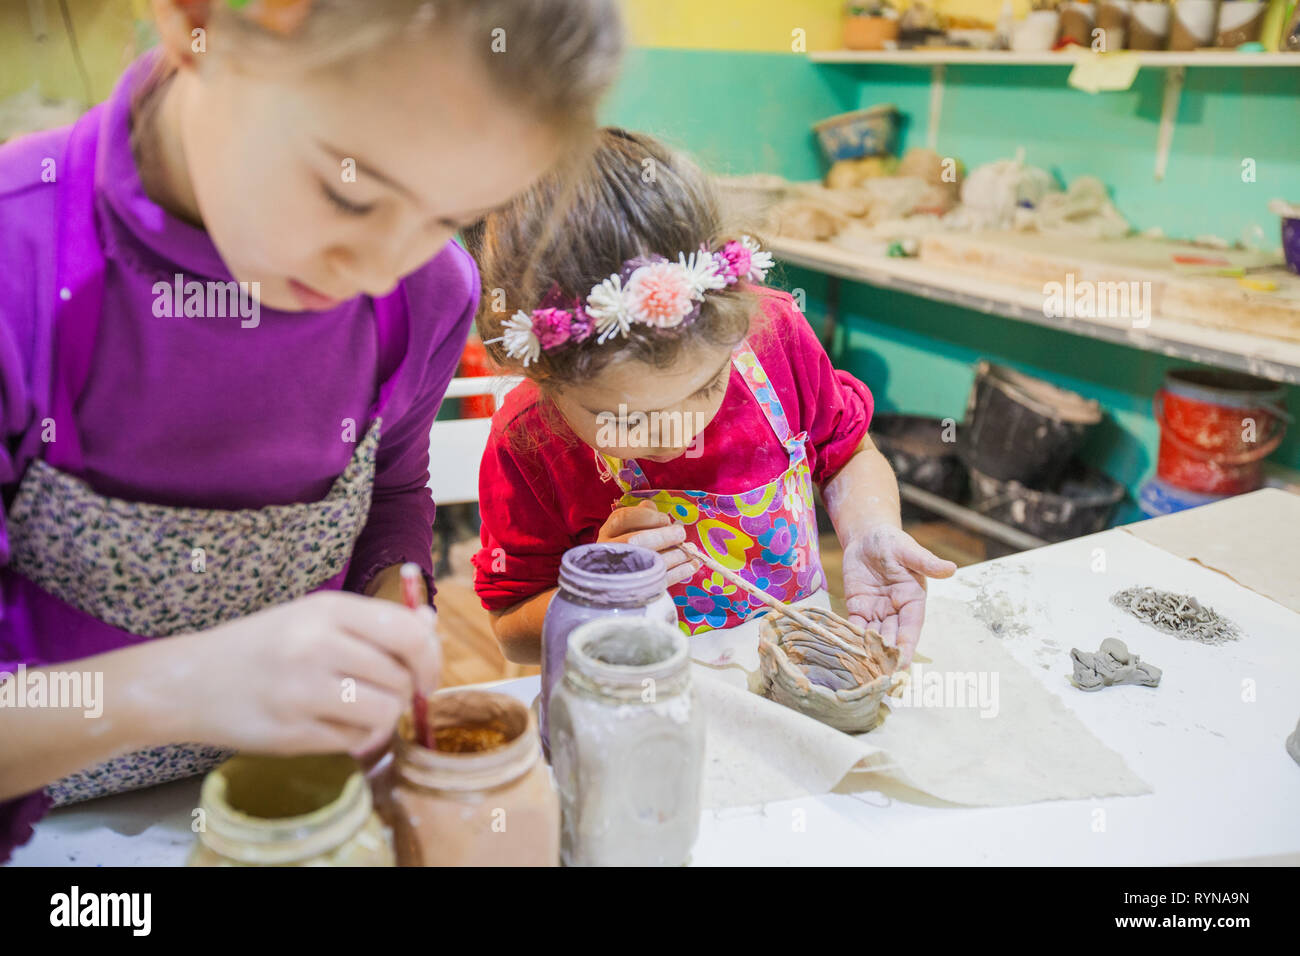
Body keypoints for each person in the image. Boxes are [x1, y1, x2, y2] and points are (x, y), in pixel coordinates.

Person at [0, 0, 622, 861]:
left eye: (451, 217)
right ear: (194, 23)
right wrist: (176, 687)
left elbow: (393, 490)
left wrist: (390, 597)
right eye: (349, 190)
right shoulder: (18, 265)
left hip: (297, 810)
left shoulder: (426, 294)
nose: (378, 268)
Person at [470, 128, 957, 669]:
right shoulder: (528, 441)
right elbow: (511, 632)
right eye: (627, 420)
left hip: (795, 665)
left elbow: (850, 454)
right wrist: (596, 593)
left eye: (705, 386)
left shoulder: (776, 335)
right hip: (642, 699)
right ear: (542, 376)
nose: (678, 436)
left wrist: (870, 529)